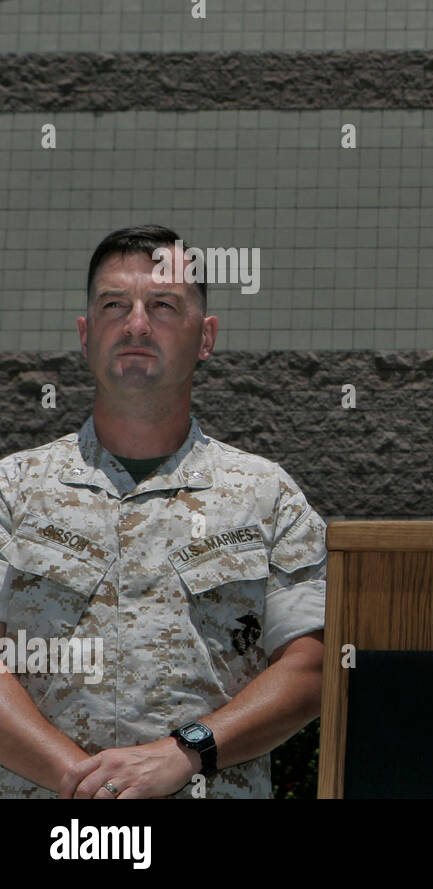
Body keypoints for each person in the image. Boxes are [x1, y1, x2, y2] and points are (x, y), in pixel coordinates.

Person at [0, 226, 327, 799]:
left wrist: (187, 752)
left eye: (163, 306)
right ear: (85, 334)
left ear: (205, 337)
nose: (135, 325)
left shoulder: (266, 495)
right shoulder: (13, 491)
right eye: (113, 305)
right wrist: (86, 785)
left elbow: (314, 666)